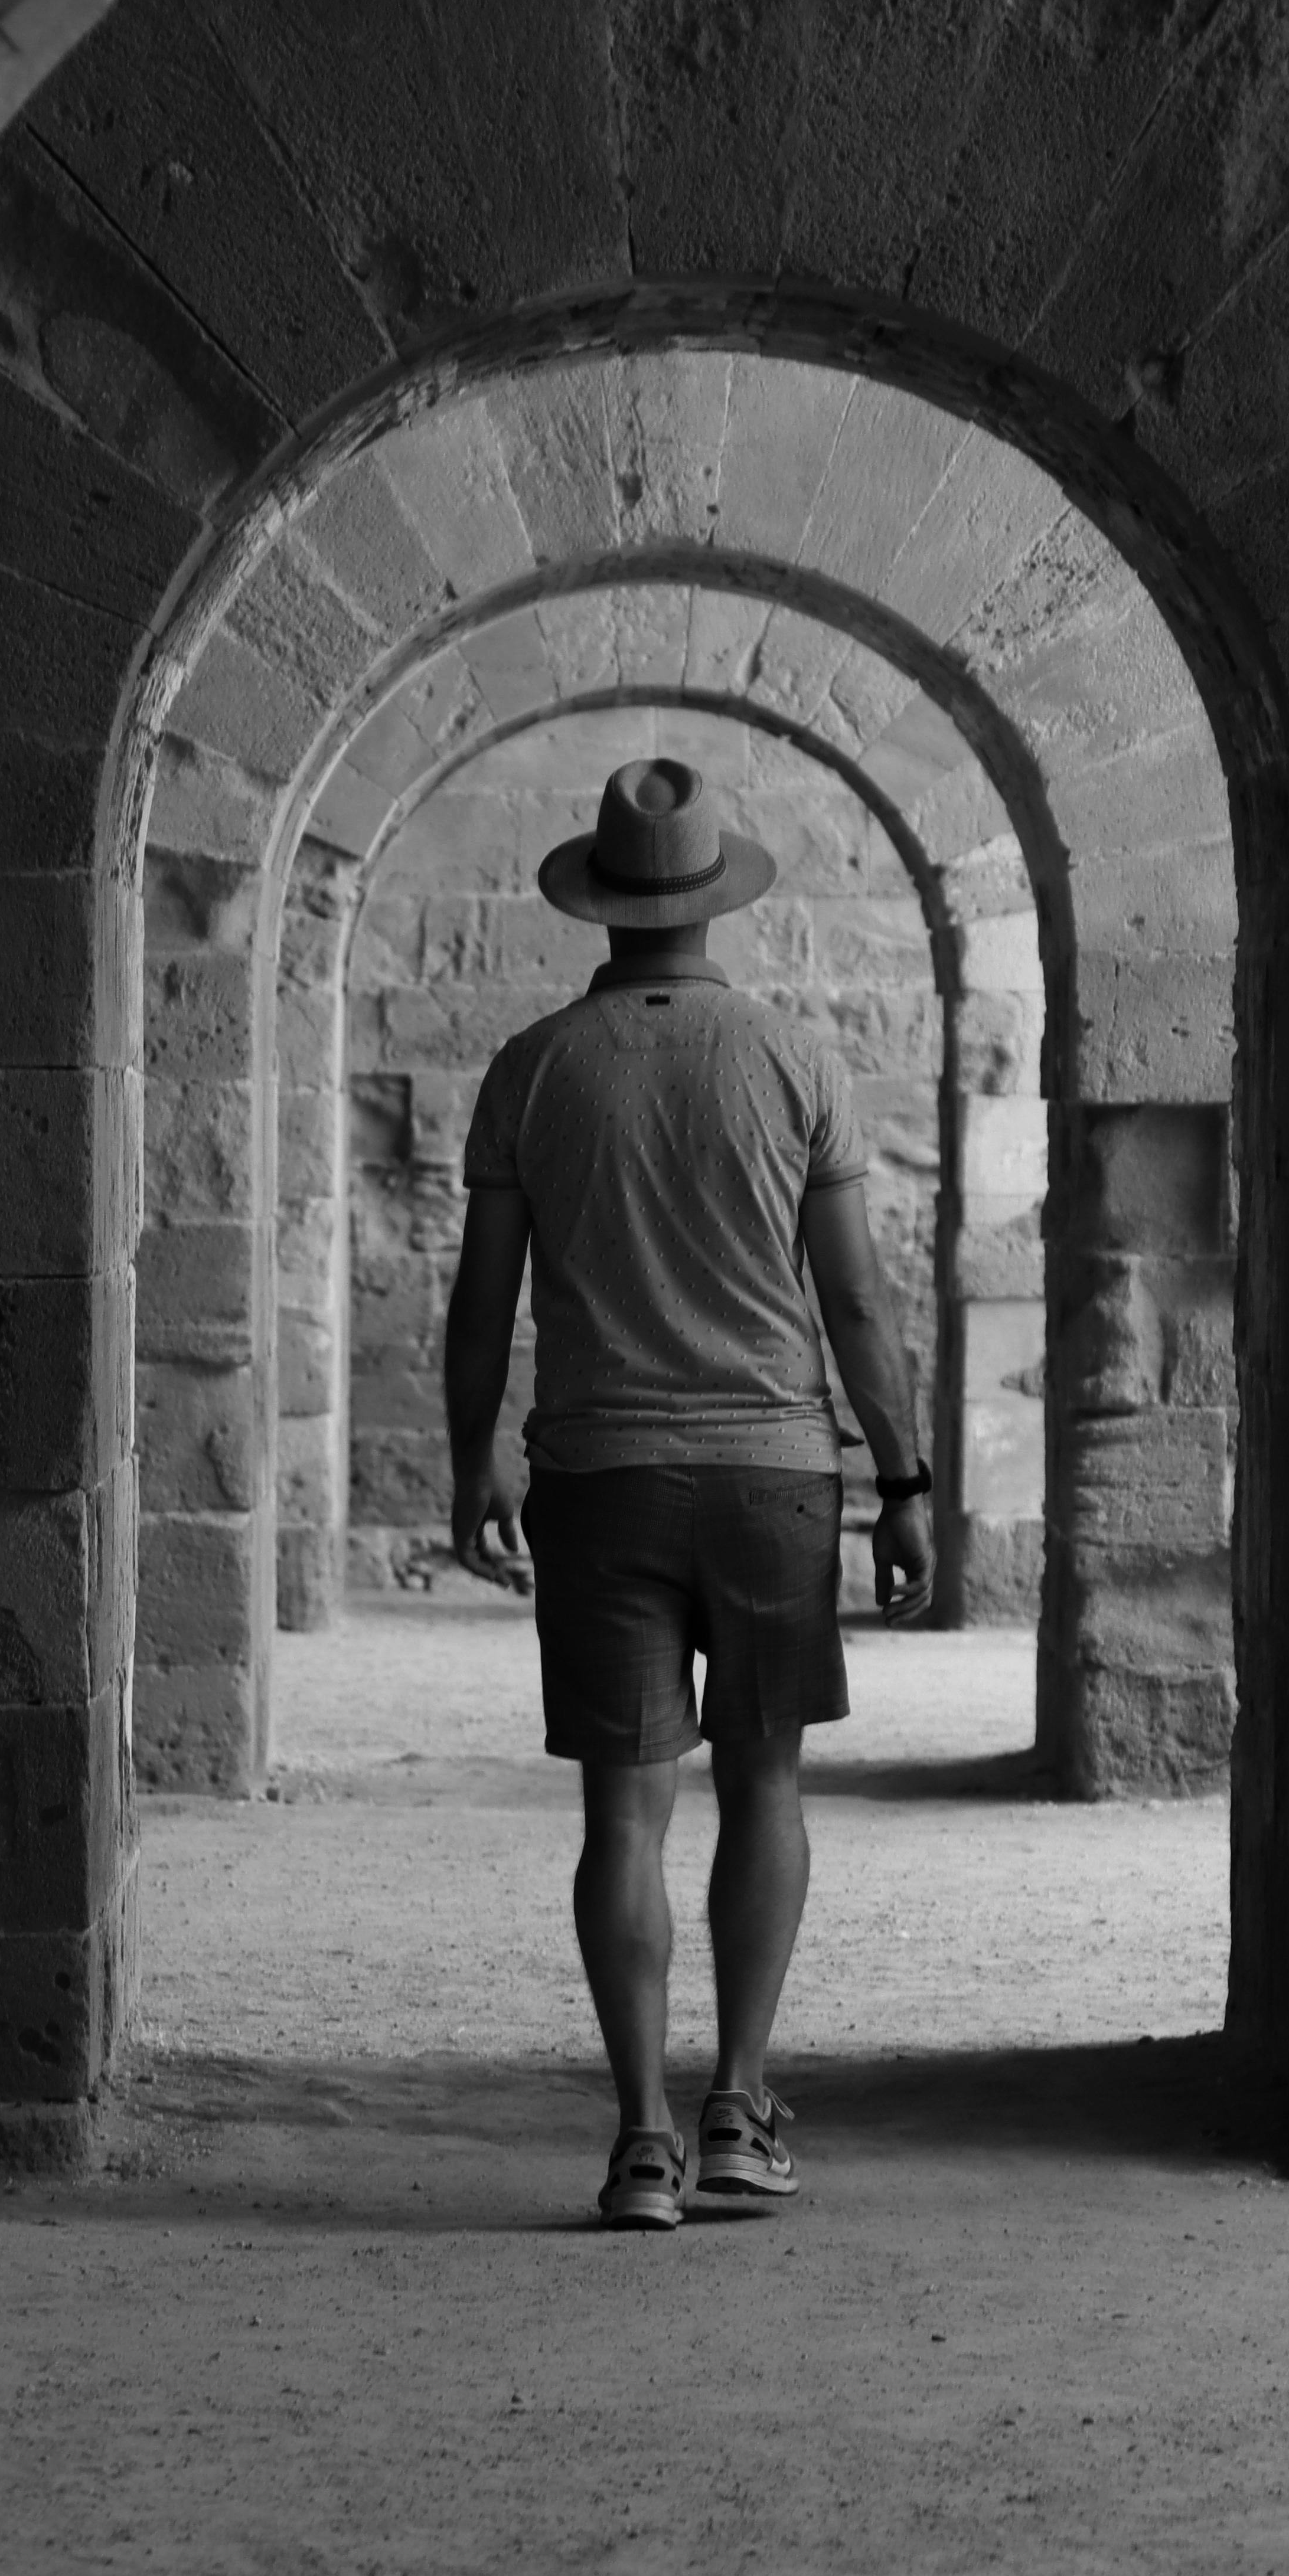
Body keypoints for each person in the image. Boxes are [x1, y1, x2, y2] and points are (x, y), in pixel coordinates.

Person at [443, 756, 936, 2231]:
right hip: (774, 1471)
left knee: (625, 1816)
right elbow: (853, 1302)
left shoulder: (533, 1068)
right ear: (717, 898)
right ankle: (738, 2106)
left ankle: (641, 2140)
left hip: (598, 1474)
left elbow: (484, 1302)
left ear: (600, 901)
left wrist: (470, 1461)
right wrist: (901, 1476)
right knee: (767, 1784)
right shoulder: (795, 1062)